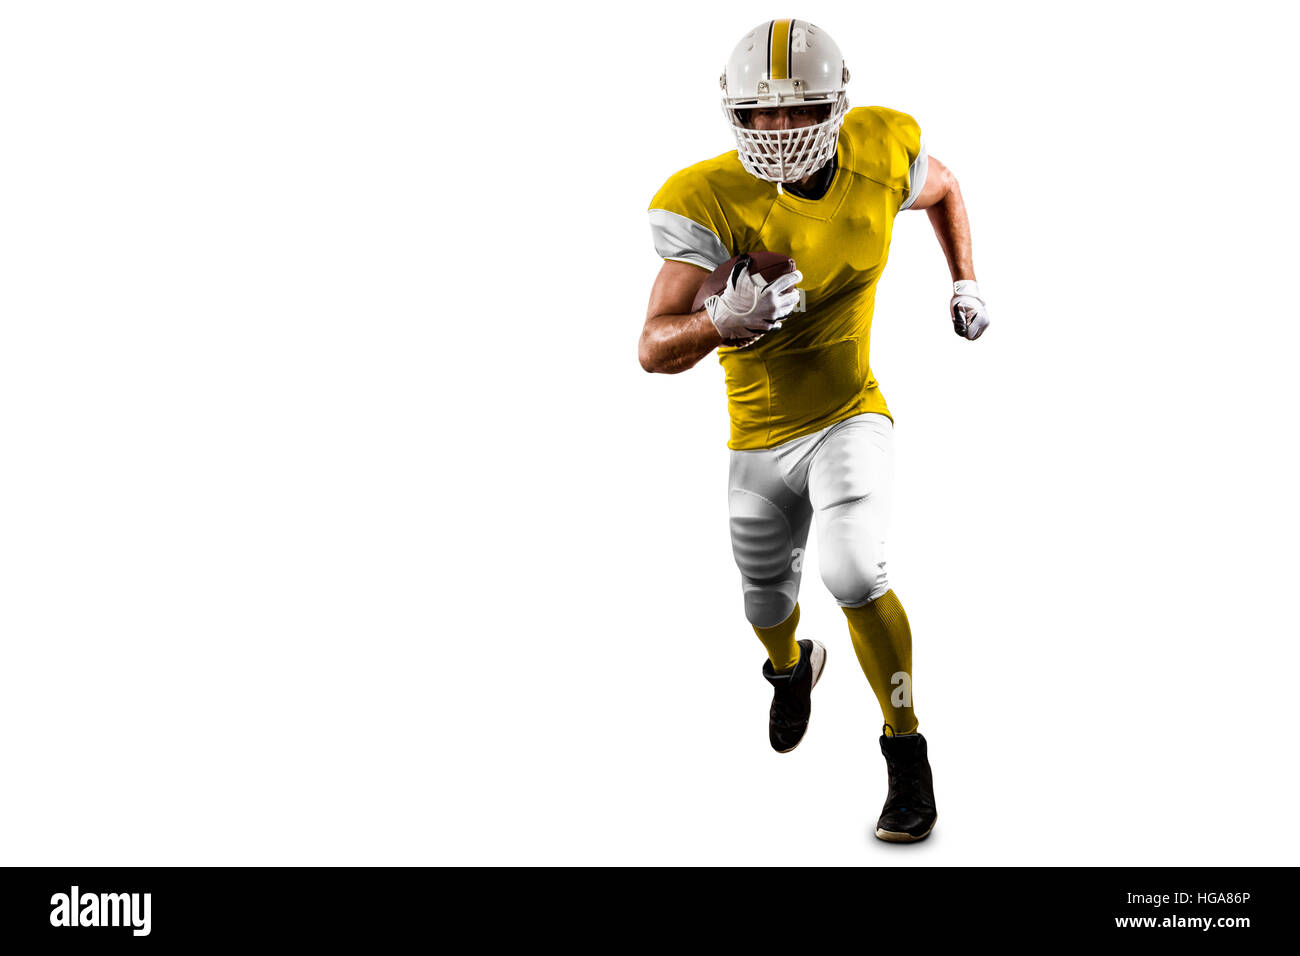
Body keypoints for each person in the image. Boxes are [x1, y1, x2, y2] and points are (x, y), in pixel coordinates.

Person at [639, 18, 990, 843]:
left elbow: (941, 187)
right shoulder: (710, 197)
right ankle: (791, 671)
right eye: (759, 116)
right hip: (757, 438)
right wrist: (720, 323)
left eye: (796, 112)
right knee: (764, 599)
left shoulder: (879, 150)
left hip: (848, 413)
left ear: (835, 108)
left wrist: (966, 281)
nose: (776, 131)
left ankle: (907, 754)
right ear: (735, 115)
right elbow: (652, 347)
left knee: (852, 567)